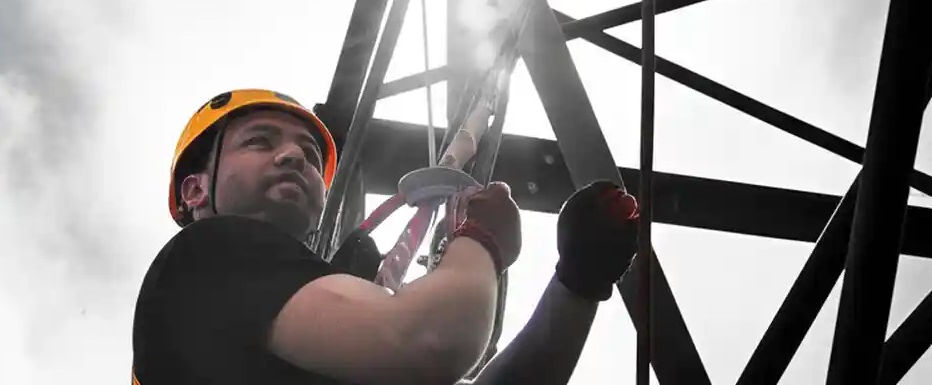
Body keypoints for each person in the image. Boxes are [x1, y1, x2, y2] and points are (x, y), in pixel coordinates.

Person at [131, 88, 639, 385]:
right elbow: (429, 340)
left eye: (310, 154)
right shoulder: (206, 257)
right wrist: (481, 237)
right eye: (259, 142)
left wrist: (576, 286)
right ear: (194, 190)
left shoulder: (281, 333)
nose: (294, 158)